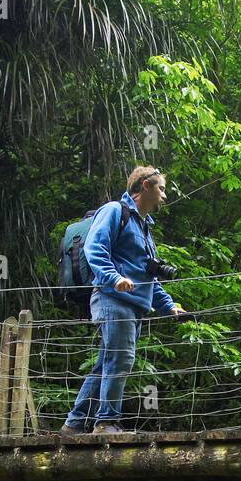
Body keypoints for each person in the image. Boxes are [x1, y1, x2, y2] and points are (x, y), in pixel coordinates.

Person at [60, 166, 187, 437]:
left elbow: (148, 277)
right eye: (161, 188)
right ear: (144, 186)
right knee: (120, 360)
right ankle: (106, 423)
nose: (165, 195)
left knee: (106, 362)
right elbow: (94, 247)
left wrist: (169, 306)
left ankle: (73, 424)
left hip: (135, 306)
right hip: (113, 299)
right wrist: (113, 277)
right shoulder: (114, 211)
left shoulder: (145, 230)